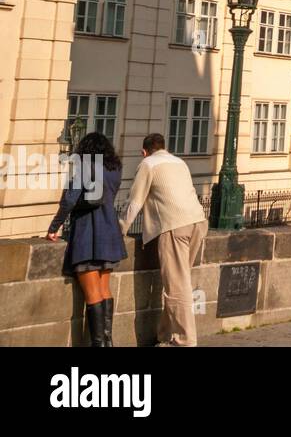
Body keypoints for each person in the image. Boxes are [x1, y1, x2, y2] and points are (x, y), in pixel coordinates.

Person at [119, 133, 207, 347]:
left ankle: (185, 341)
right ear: (164, 147)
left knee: (176, 287)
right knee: (180, 281)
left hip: (174, 225)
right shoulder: (179, 162)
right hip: (198, 221)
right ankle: (166, 334)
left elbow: (135, 202)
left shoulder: (148, 164)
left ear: (144, 152)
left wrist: (120, 229)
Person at [47, 132, 127, 347]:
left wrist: (54, 227)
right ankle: (107, 341)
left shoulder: (84, 166)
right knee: (104, 290)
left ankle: (99, 344)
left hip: (89, 233)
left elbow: (69, 201)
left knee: (92, 295)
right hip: (110, 231)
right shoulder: (114, 169)